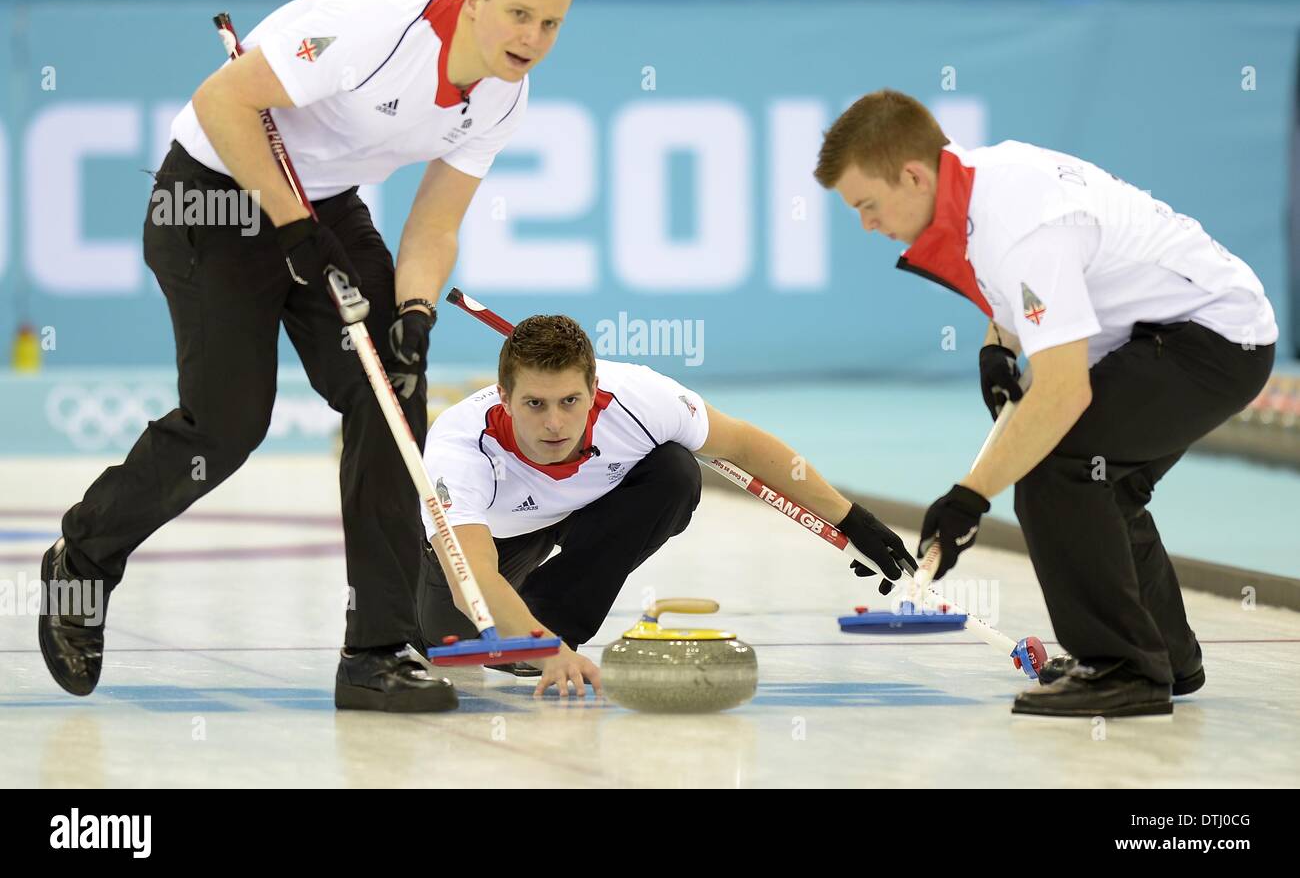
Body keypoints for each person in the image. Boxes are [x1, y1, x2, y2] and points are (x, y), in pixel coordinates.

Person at [39, 0, 575, 713]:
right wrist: (292, 228)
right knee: (227, 425)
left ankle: (375, 649)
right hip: (212, 196)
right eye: (519, 14)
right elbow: (221, 100)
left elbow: (434, 225)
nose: (532, 38)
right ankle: (82, 557)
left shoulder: (503, 93)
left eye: (551, 23)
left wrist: (416, 311)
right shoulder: (369, 28)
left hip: (320, 204)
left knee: (392, 389)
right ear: (474, 0)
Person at [815, 89, 1278, 717]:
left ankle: (1123, 669)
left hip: (1212, 339)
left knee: (1057, 467)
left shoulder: (1020, 224)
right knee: (1104, 480)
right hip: (1176, 331)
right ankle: (1163, 655)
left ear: (914, 176)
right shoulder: (980, 186)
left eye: (867, 205)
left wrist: (968, 499)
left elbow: (1063, 392)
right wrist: (998, 350)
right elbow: (1019, 298)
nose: (866, 225)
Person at [417, 314, 916, 697]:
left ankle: (551, 622)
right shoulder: (461, 447)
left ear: (594, 390)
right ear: (504, 398)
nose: (554, 423)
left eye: (570, 401)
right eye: (534, 404)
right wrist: (547, 653)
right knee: (454, 639)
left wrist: (850, 518)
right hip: (499, 538)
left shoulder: (640, 398)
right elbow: (472, 583)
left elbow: (743, 444)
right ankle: (528, 635)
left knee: (675, 471)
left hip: (582, 508)